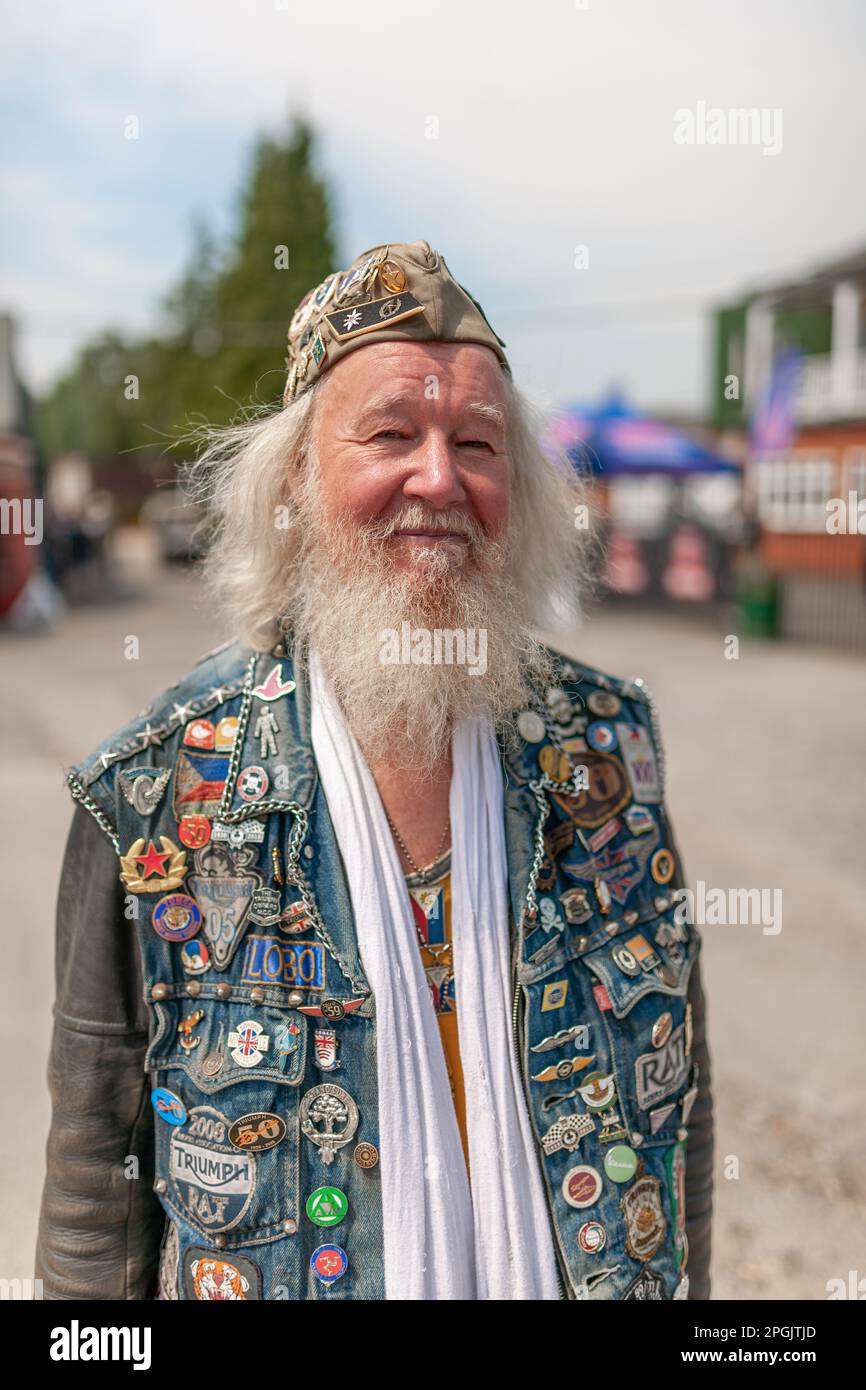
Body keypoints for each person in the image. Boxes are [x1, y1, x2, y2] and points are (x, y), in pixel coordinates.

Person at [35, 240, 713, 1301]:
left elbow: (678, 1120)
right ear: (297, 481)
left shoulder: (608, 753)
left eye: (477, 443)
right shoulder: (154, 794)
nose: (438, 478)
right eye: (392, 433)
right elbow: (92, 1182)